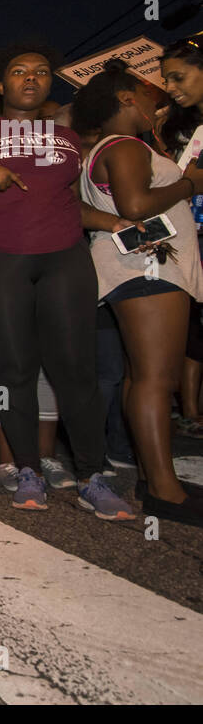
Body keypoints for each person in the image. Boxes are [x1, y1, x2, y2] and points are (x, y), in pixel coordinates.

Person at [0, 42, 131, 518]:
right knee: (14, 371)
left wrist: (112, 224)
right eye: (19, 72)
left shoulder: (67, 137)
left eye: (41, 72)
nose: (30, 78)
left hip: (64, 258)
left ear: (50, 83)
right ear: (1, 85)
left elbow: (67, 201)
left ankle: (91, 476)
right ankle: (27, 470)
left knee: (76, 371)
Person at [73, 58, 203, 527]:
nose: (157, 97)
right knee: (155, 379)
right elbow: (134, 205)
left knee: (139, 376)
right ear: (127, 99)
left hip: (133, 269)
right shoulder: (126, 146)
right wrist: (190, 183)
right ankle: (165, 491)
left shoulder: (112, 147)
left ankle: (154, 477)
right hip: (147, 267)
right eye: (149, 93)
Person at [158, 37, 203, 438]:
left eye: (179, 77)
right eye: (166, 79)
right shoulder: (176, 129)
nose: (171, 87)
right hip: (189, 237)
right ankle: (189, 408)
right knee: (191, 329)